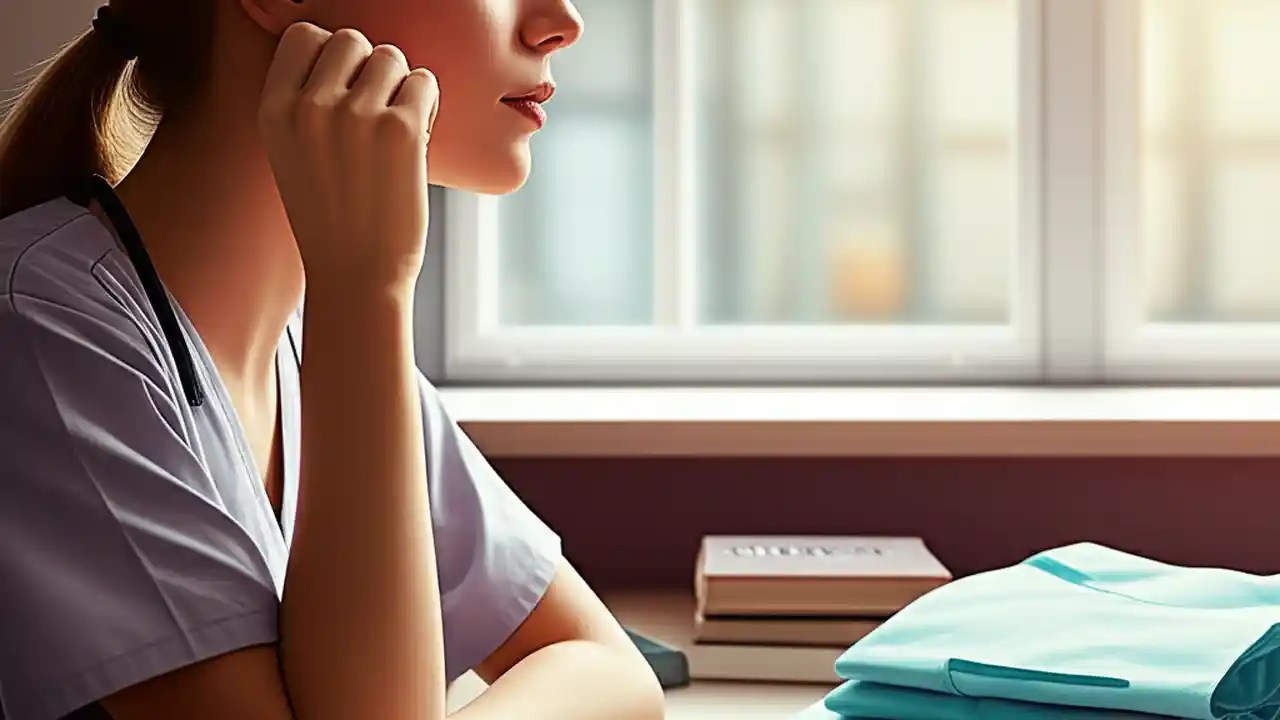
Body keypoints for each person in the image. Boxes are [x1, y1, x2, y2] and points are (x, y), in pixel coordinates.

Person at [0, 1, 665, 719]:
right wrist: (367, 285)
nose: (561, 21)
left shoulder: (314, 341)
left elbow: (613, 673)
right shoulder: (41, 336)